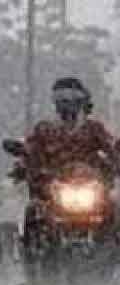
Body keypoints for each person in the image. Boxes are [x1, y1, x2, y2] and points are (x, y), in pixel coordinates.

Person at [19, 77, 120, 273]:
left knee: (114, 209)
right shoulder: (44, 129)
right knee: (34, 212)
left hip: (91, 190)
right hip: (53, 192)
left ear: (82, 101)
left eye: (72, 97)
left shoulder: (94, 129)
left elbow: (112, 147)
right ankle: (32, 263)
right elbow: (29, 150)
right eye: (61, 97)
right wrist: (25, 161)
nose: (67, 103)